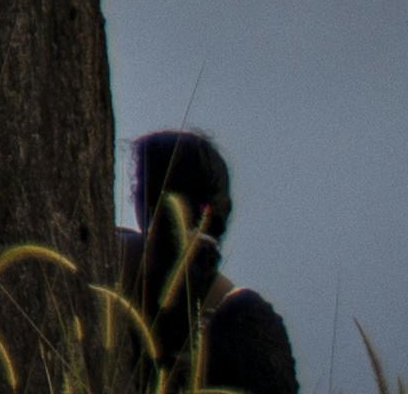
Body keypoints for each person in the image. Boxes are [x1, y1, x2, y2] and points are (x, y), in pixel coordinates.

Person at [127, 131, 303, 394]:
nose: (132, 196)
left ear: (147, 207)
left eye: (138, 189)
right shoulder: (249, 317)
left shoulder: (116, 276)